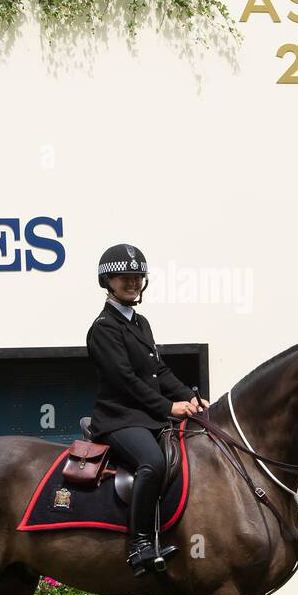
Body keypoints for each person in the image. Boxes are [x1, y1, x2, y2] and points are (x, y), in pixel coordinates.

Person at [86, 243, 209, 576]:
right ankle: (139, 544)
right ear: (108, 282)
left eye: (137, 277)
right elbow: (126, 381)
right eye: (124, 277)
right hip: (118, 419)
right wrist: (170, 406)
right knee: (152, 462)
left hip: (147, 417)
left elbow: (159, 372)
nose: (132, 283)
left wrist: (191, 397)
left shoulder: (141, 323)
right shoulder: (103, 328)